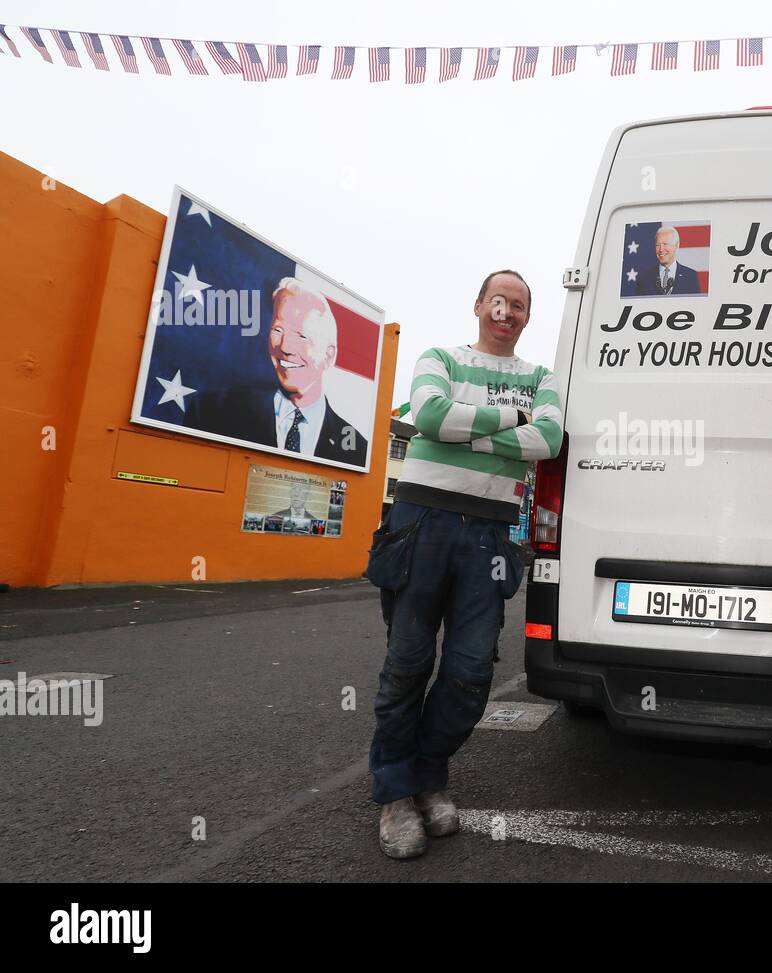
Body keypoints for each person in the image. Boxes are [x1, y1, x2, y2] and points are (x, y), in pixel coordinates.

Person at [370, 269, 563, 859]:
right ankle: (396, 795)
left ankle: (428, 777)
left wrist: (467, 428)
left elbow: (550, 439)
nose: (507, 311)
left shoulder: (541, 377)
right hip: (421, 522)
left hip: (490, 534)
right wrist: (510, 420)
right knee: (407, 662)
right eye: (498, 300)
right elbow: (427, 416)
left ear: (528, 317)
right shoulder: (440, 357)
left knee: (471, 670)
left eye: (519, 305)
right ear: (479, 304)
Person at [183, 277, 369, 466]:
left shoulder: (358, 450)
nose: (285, 346)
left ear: (328, 356)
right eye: (278, 330)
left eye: (302, 335)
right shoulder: (212, 412)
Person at [635, 225, 701, 296]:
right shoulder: (644, 278)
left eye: (665, 244)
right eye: (657, 245)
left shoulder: (690, 276)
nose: (661, 249)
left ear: (676, 246)